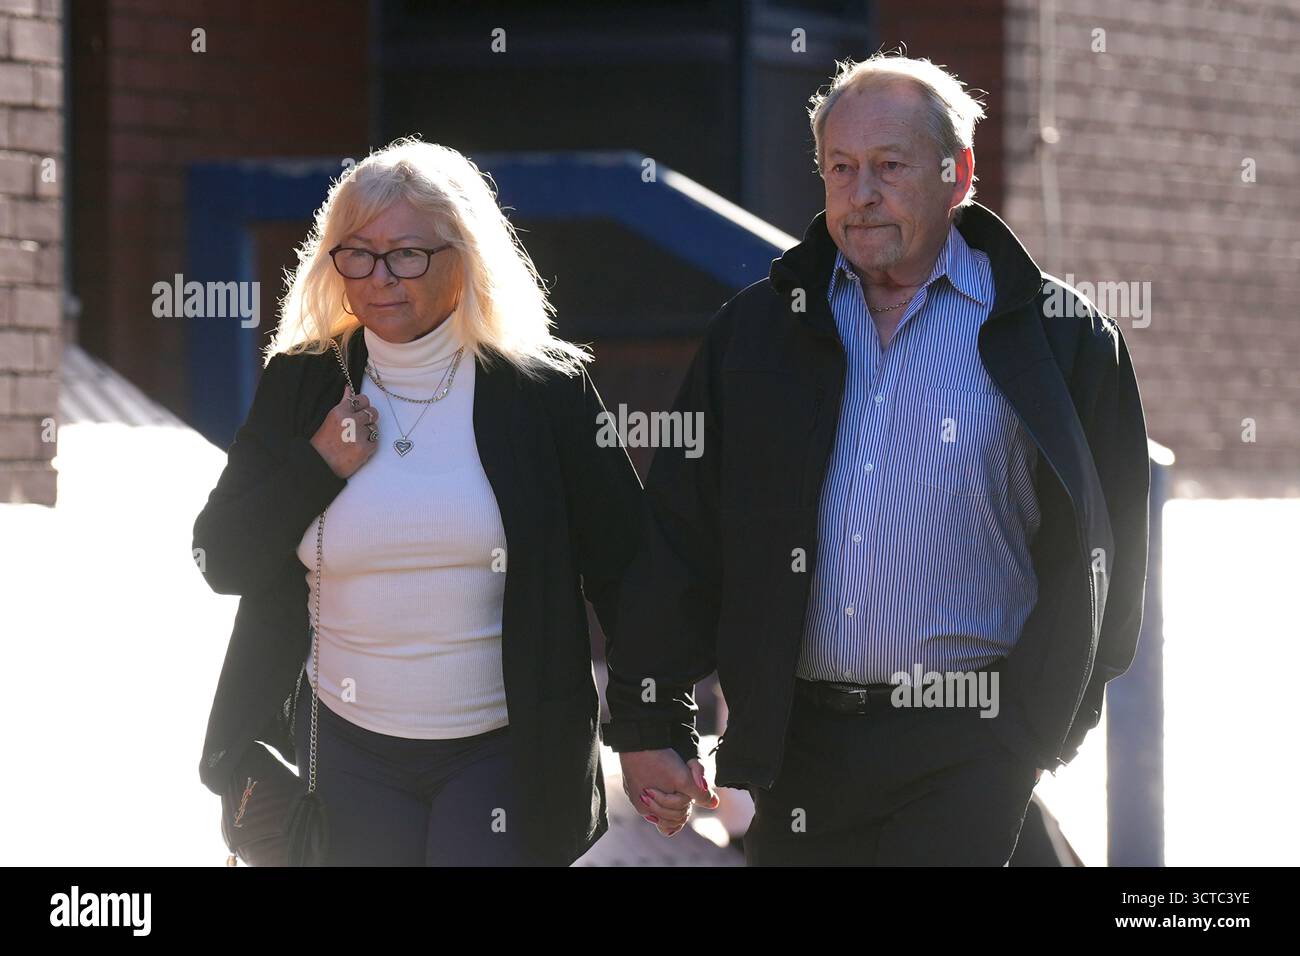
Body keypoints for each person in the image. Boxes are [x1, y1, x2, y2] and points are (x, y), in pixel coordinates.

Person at [602, 53, 1151, 864]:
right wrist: (650, 722)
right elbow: (682, 535)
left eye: (889, 167)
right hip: (796, 746)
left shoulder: (1062, 339)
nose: (861, 195)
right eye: (840, 168)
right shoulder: (758, 333)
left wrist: (1040, 730)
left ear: (957, 172)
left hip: (971, 745)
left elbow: (1108, 558)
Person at [195, 137, 642, 866]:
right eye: (357, 253)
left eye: (406, 254)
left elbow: (628, 570)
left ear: (462, 256)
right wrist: (318, 464)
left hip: (500, 754)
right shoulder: (302, 384)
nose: (379, 277)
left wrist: (655, 726)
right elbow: (222, 556)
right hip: (341, 749)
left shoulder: (544, 393)